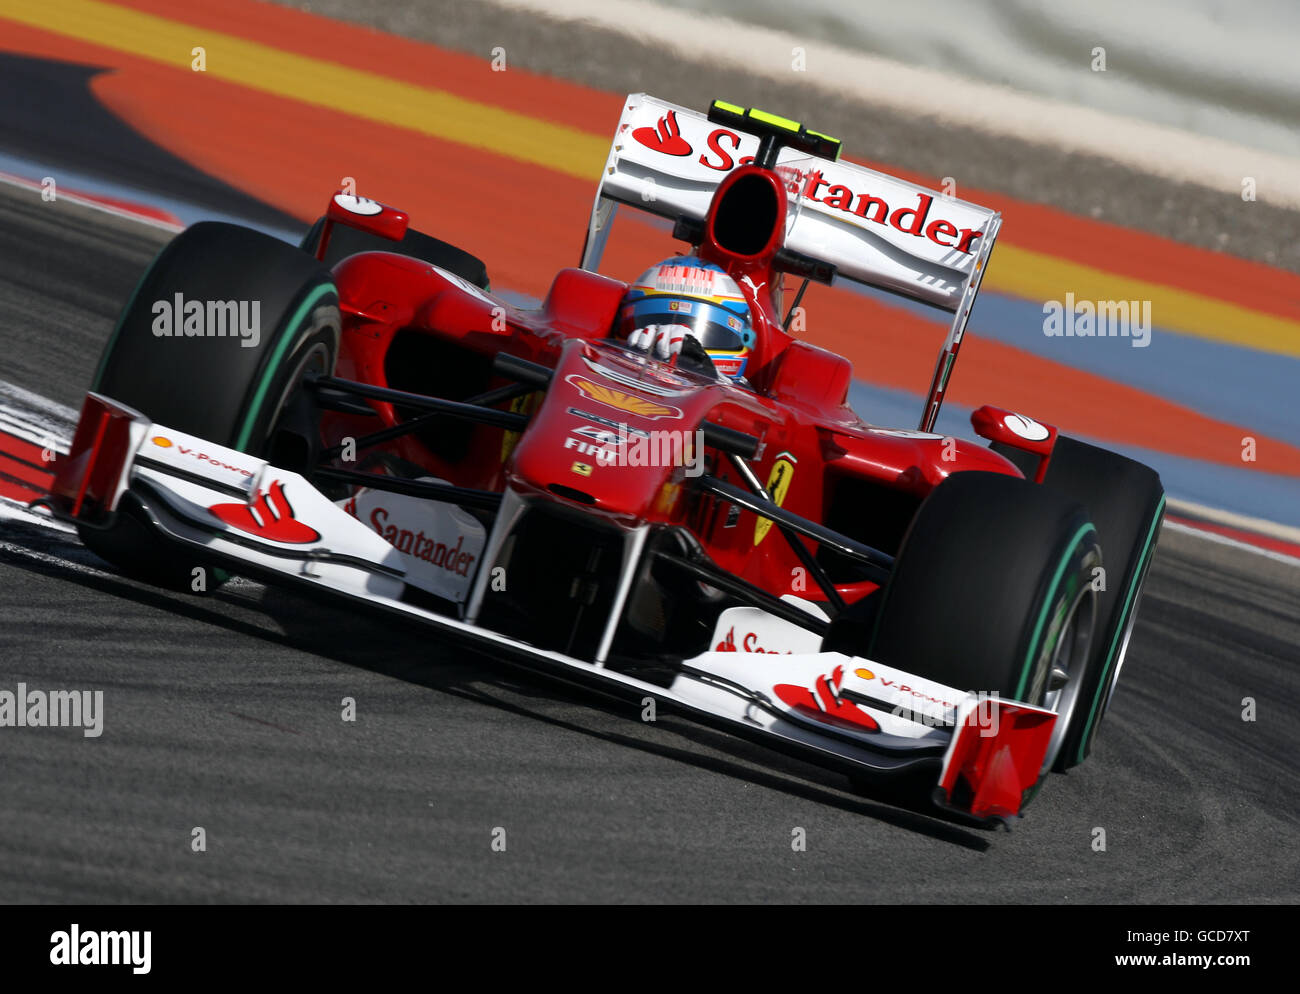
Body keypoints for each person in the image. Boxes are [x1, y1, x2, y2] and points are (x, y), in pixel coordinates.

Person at [615, 256, 755, 381]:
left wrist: (704, 371)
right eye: (657, 320)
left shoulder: (751, 405)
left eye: (714, 333)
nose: (670, 337)